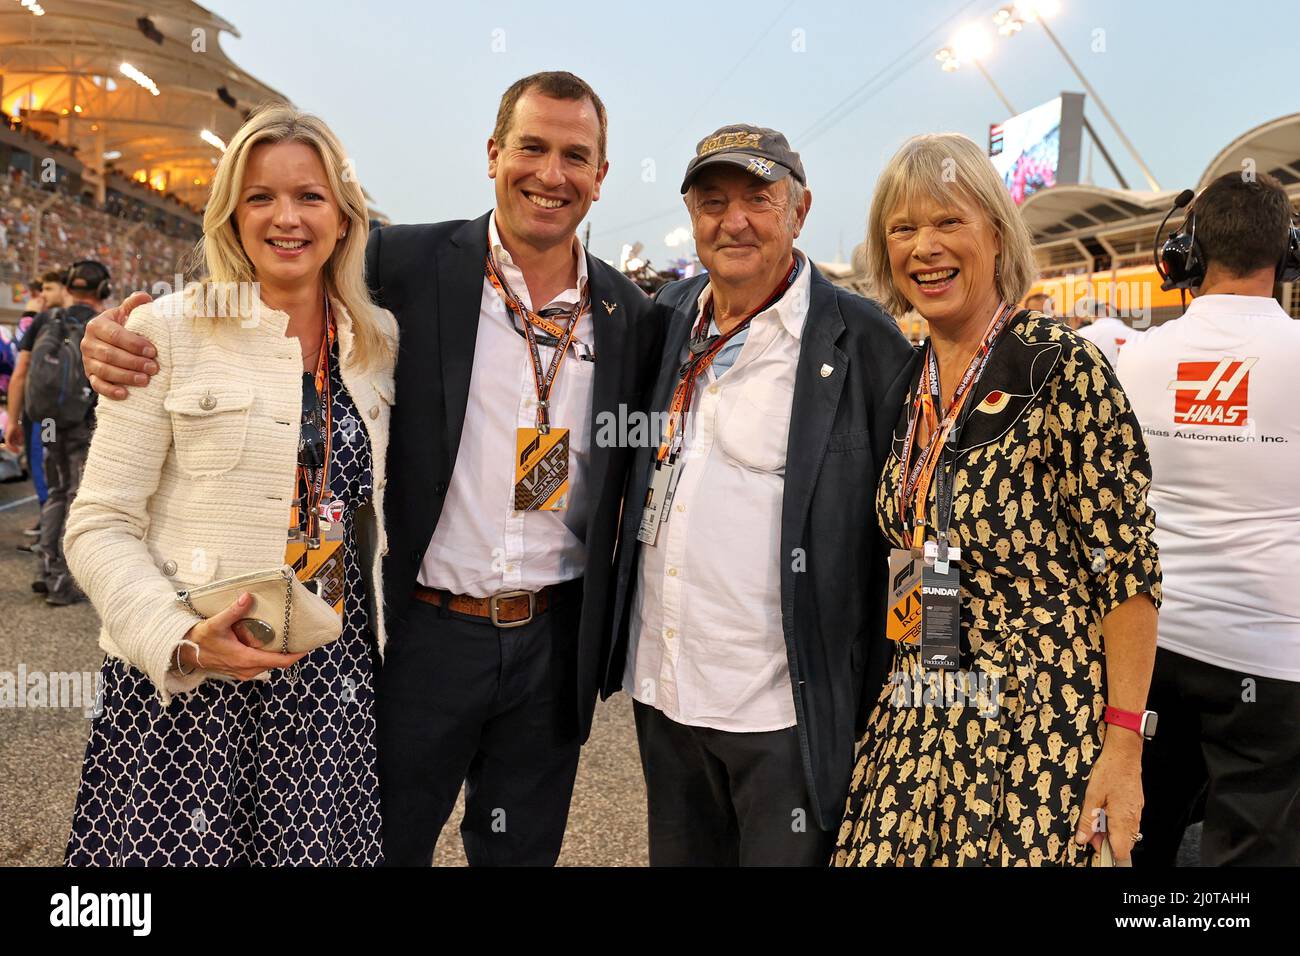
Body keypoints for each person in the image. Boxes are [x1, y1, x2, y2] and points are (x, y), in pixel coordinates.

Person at [80, 72, 664, 867]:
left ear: (602, 173)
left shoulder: (632, 314)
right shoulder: (405, 263)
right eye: (531, 147)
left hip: (552, 641)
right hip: (421, 637)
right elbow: (262, 290)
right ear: (494, 154)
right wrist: (111, 341)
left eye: (575, 155)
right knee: (380, 850)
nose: (550, 174)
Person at [62, 105, 396, 865]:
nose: (287, 218)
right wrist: (180, 639)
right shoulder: (166, 331)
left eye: (310, 196)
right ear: (230, 216)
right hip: (190, 690)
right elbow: (98, 523)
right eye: (260, 197)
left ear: (343, 217)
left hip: (328, 692)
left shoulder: (378, 346)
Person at [834, 133, 1162, 866]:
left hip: (1040, 724)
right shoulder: (907, 378)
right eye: (904, 227)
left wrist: (1124, 745)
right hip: (921, 704)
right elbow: (908, 545)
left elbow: (1128, 574)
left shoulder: (1061, 365)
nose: (926, 246)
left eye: (949, 221)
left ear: (993, 231)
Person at [606, 125, 913, 865]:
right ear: (691, 215)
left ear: (799, 211)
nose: (733, 220)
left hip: (782, 710)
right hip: (666, 690)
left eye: (757, 200)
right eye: (712, 202)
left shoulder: (863, 340)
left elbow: (911, 527)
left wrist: (911, 686)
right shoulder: (670, 315)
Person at [1118, 172, 1300, 866]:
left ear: (1187, 256)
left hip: (1154, 645)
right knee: (1253, 852)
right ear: (1287, 257)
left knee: (1141, 828)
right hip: (1272, 658)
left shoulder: (1137, 360)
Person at [4, 262, 105, 604]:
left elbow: (20, 374)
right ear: (103, 290)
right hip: (82, 422)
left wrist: (14, 421)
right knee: (78, 496)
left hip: (46, 422)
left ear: (67, 287)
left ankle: (46, 571)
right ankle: (65, 581)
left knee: (55, 492)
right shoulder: (105, 323)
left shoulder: (45, 321)